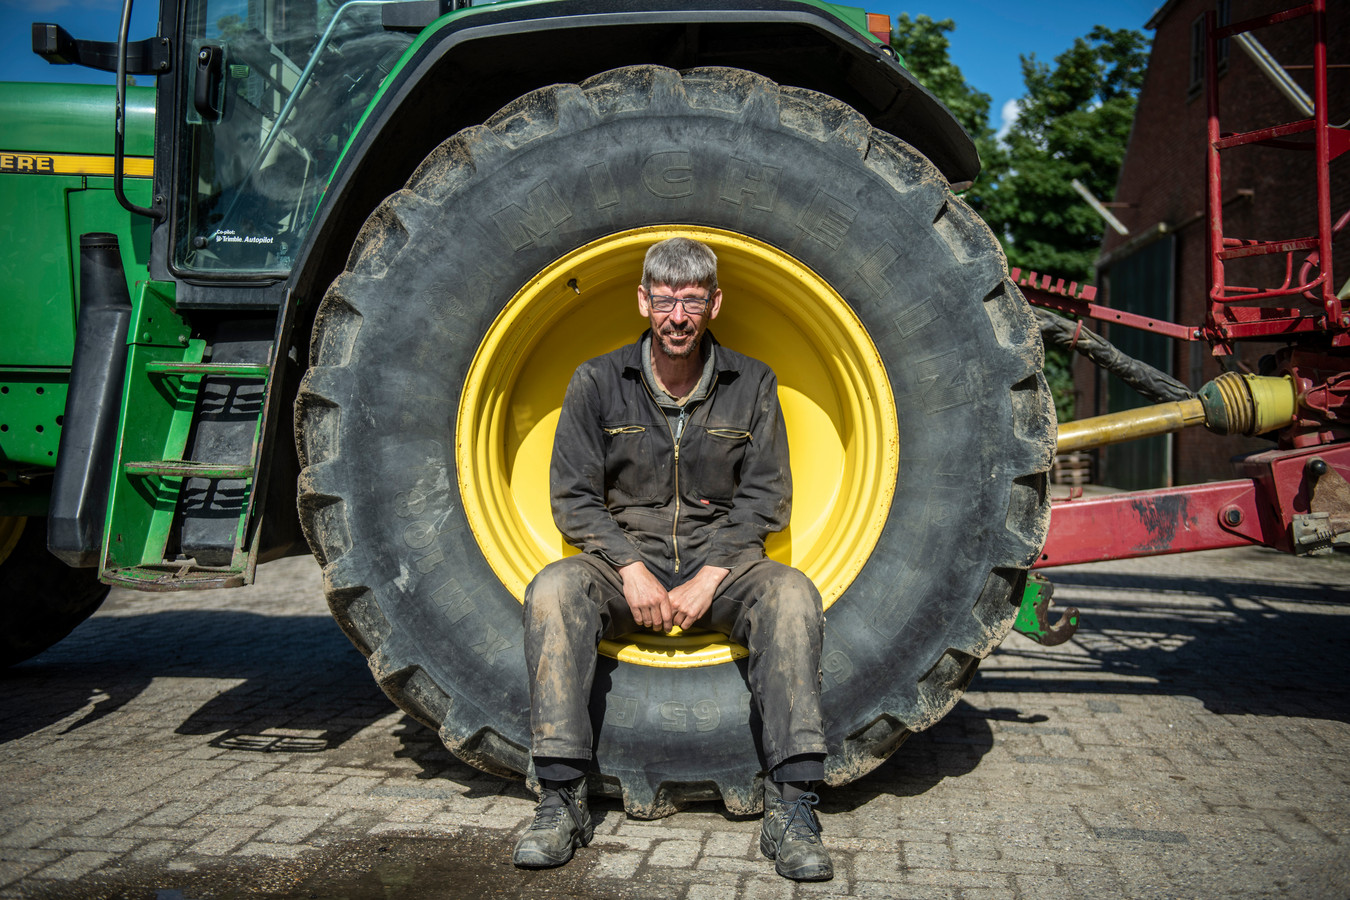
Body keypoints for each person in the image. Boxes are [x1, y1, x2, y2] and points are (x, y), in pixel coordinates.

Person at [512, 237, 832, 882]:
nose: (677, 316)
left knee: (792, 594)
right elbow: (574, 499)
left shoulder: (754, 382)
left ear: (715, 303)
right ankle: (559, 799)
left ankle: (793, 806)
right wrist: (630, 568)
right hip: (624, 564)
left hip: (723, 565)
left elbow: (766, 498)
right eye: (664, 300)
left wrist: (711, 575)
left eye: (691, 300)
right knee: (552, 590)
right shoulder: (596, 382)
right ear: (643, 301)